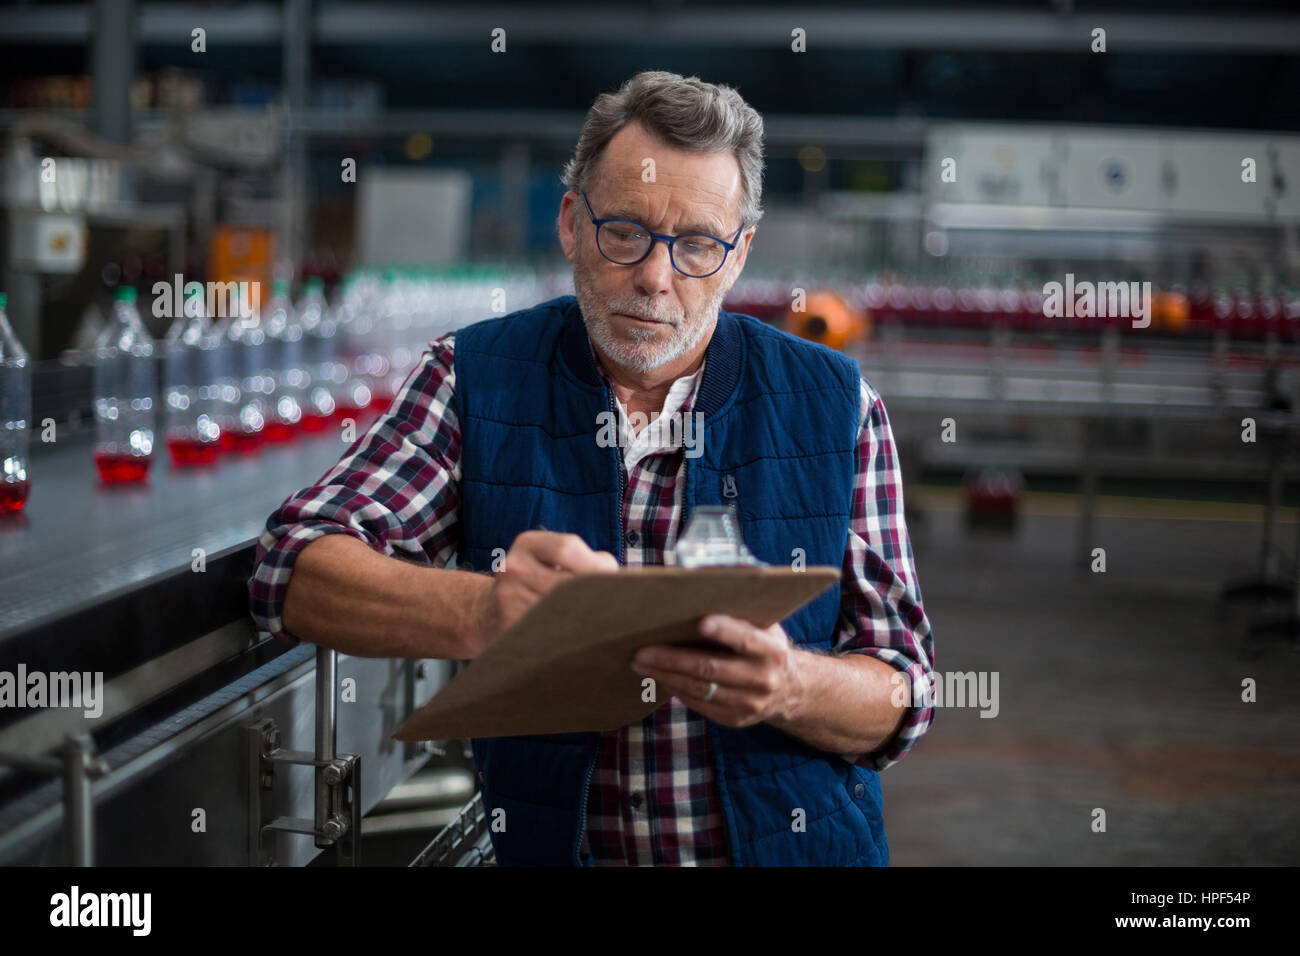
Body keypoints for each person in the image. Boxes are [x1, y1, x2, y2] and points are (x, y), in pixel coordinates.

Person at [249, 70, 934, 866]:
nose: (655, 275)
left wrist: (788, 685)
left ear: (739, 255)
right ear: (572, 223)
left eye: (698, 246)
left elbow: (902, 690)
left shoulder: (839, 409)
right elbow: (294, 565)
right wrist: (489, 613)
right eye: (626, 232)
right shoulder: (476, 378)